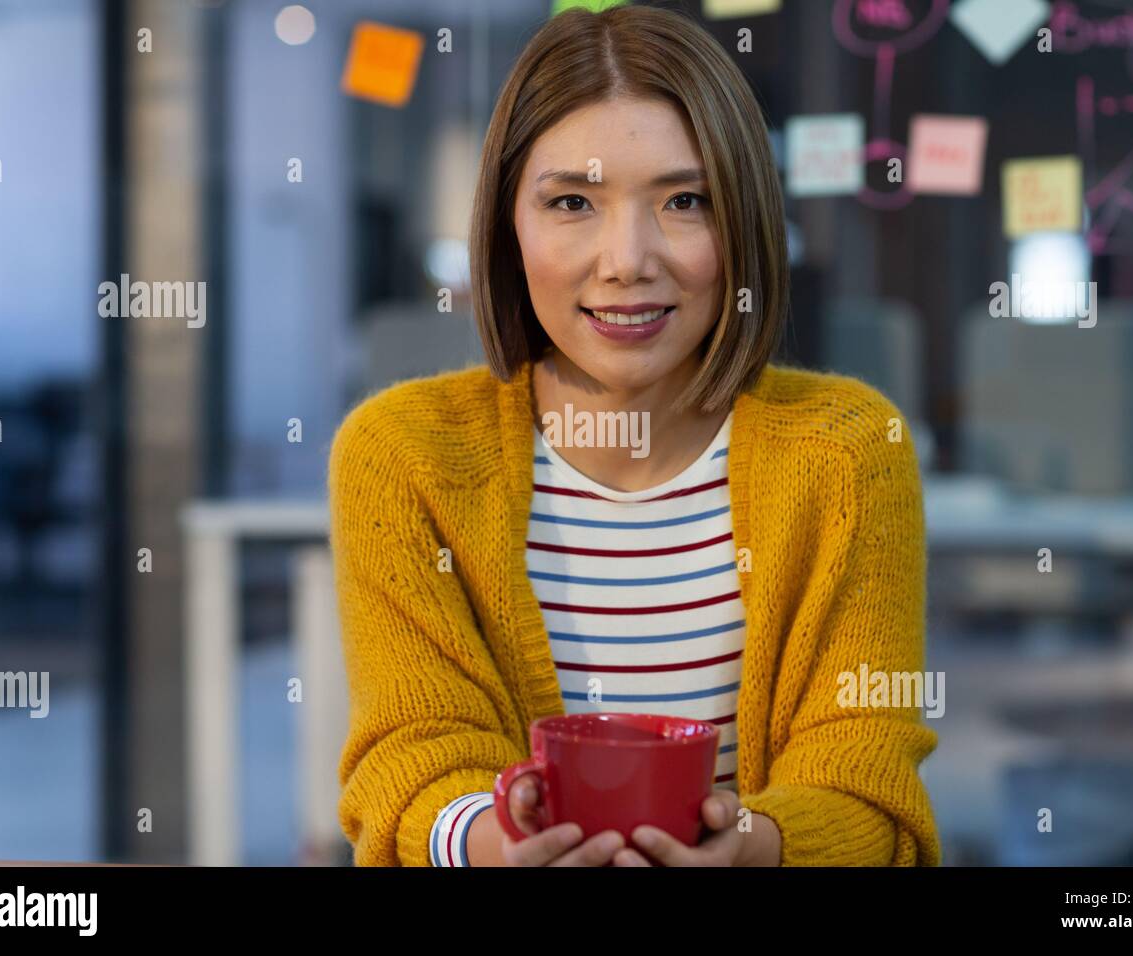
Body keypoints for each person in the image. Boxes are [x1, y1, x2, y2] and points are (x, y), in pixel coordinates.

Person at [328, 4, 939, 867]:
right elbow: (411, 756)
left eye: (685, 201)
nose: (627, 259)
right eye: (572, 201)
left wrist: (753, 849)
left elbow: (869, 781)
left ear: (747, 224)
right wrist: (497, 845)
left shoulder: (846, 451)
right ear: (509, 224)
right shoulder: (404, 455)